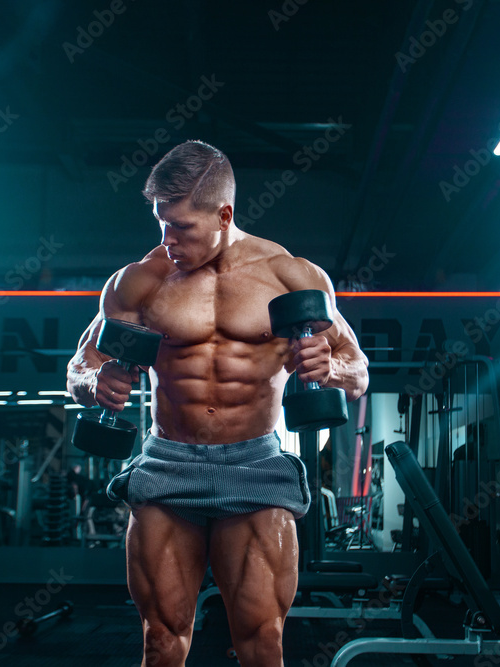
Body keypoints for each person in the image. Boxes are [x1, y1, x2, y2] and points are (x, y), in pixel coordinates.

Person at [67, 140, 368, 667]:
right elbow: (79, 367)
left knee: (260, 641)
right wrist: (95, 384)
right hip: (169, 463)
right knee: (161, 638)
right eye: (162, 224)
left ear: (224, 214)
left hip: (253, 463)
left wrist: (331, 367)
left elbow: (358, 372)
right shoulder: (139, 282)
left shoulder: (290, 276)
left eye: (183, 227)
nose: (169, 240)